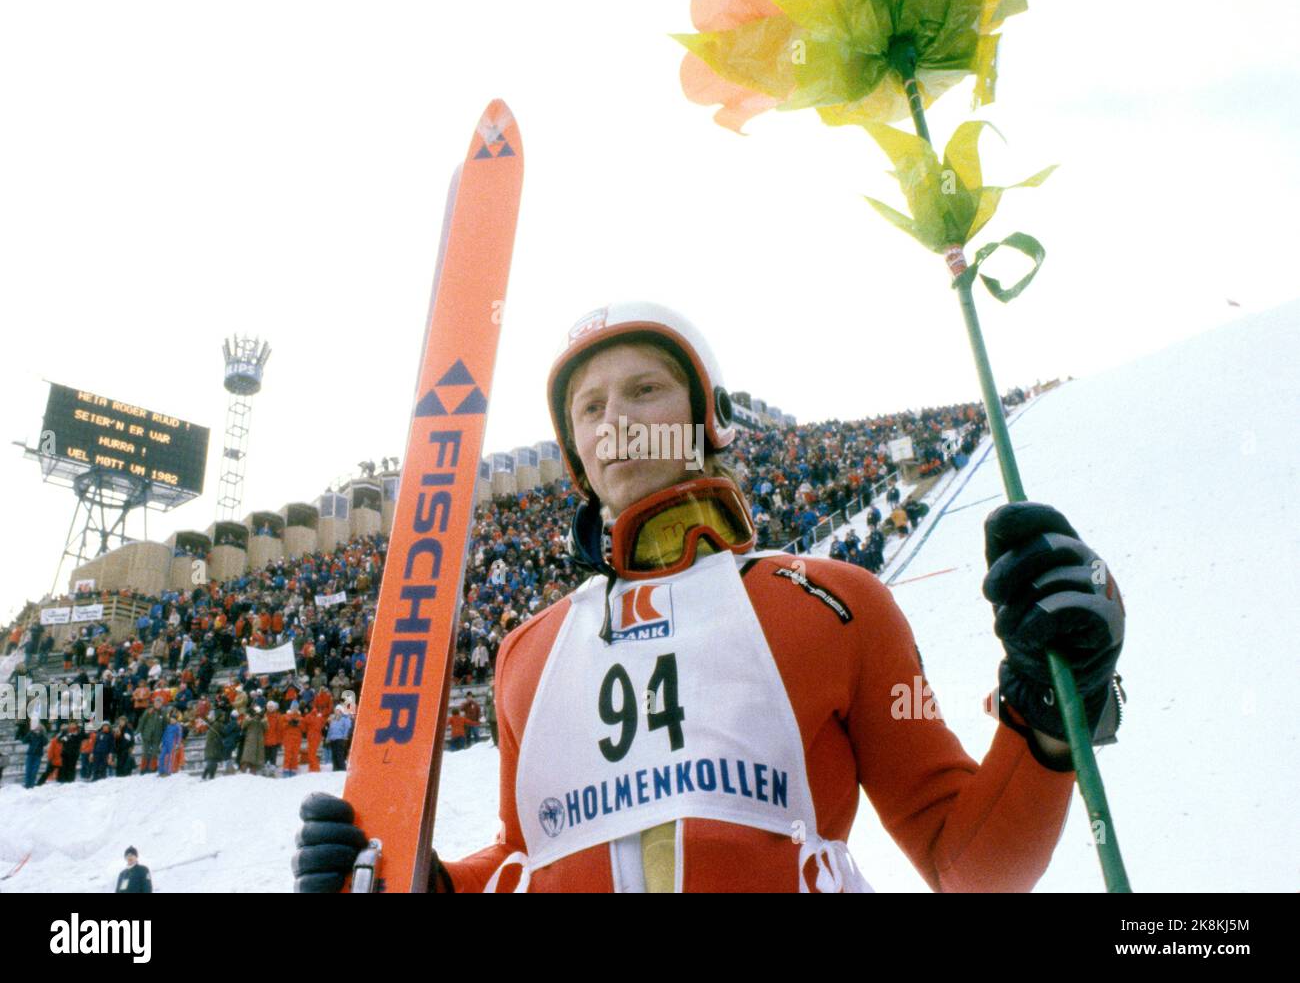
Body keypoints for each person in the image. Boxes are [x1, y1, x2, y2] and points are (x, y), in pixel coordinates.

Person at [293, 301, 1127, 893]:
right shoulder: (527, 653)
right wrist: (425, 882)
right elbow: (526, 857)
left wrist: (1051, 713)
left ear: (707, 417)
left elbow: (968, 864)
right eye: (590, 407)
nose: (615, 420)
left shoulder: (837, 604)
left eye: (644, 390)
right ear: (576, 453)